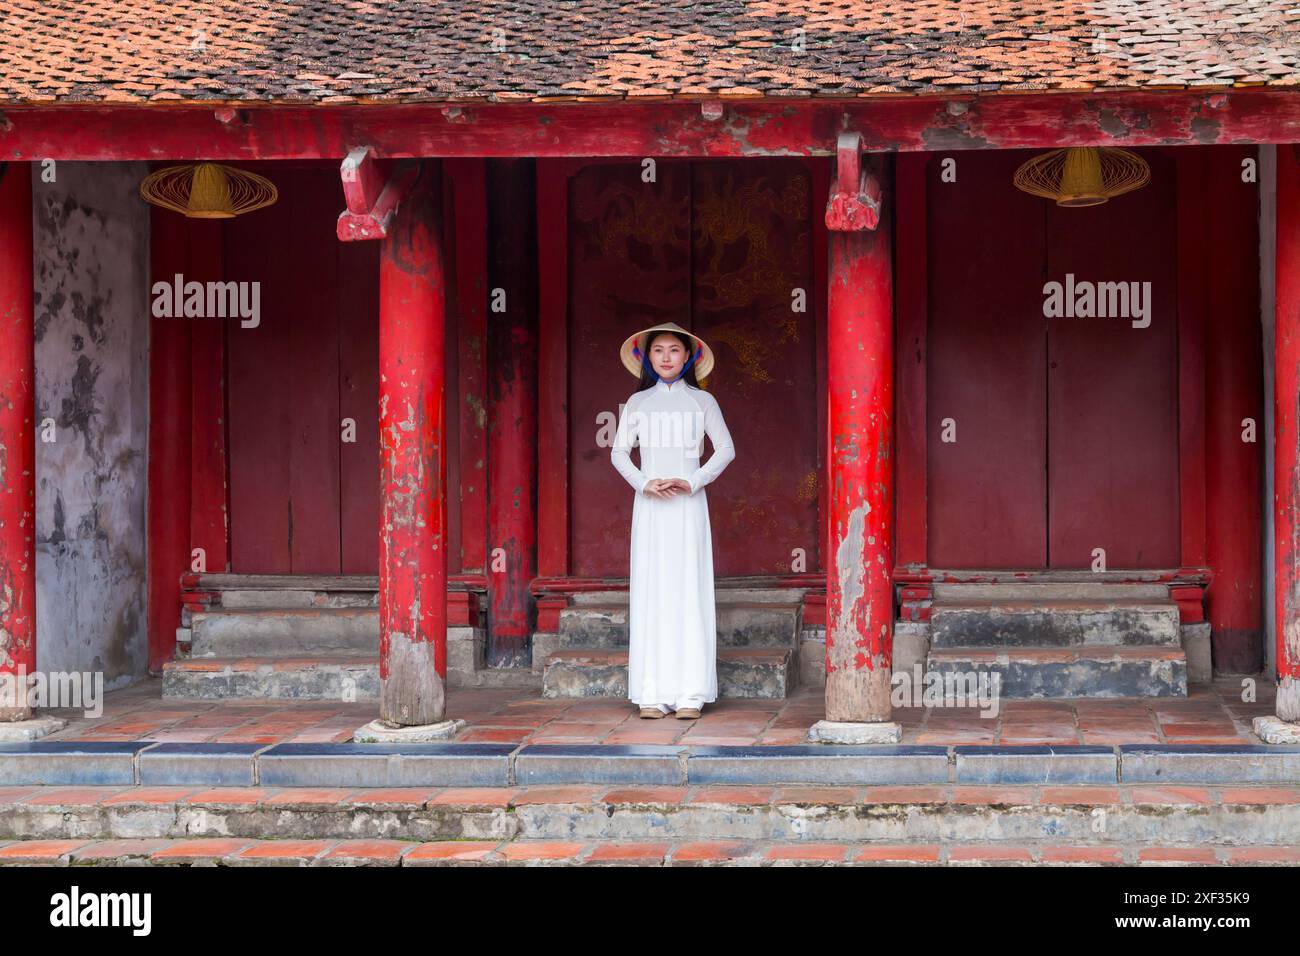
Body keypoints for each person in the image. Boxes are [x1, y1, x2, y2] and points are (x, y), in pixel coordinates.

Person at [610, 322, 736, 720]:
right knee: (652, 589)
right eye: (658, 351)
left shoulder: (703, 402)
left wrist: (693, 480)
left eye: (674, 350)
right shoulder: (637, 403)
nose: (666, 357)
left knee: (688, 589)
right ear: (647, 358)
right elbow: (618, 453)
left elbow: (726, 450)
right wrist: (645, 484)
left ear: (689, 357)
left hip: (687, 505)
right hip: (649, 508)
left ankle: (690, 694)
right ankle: (652, 692)